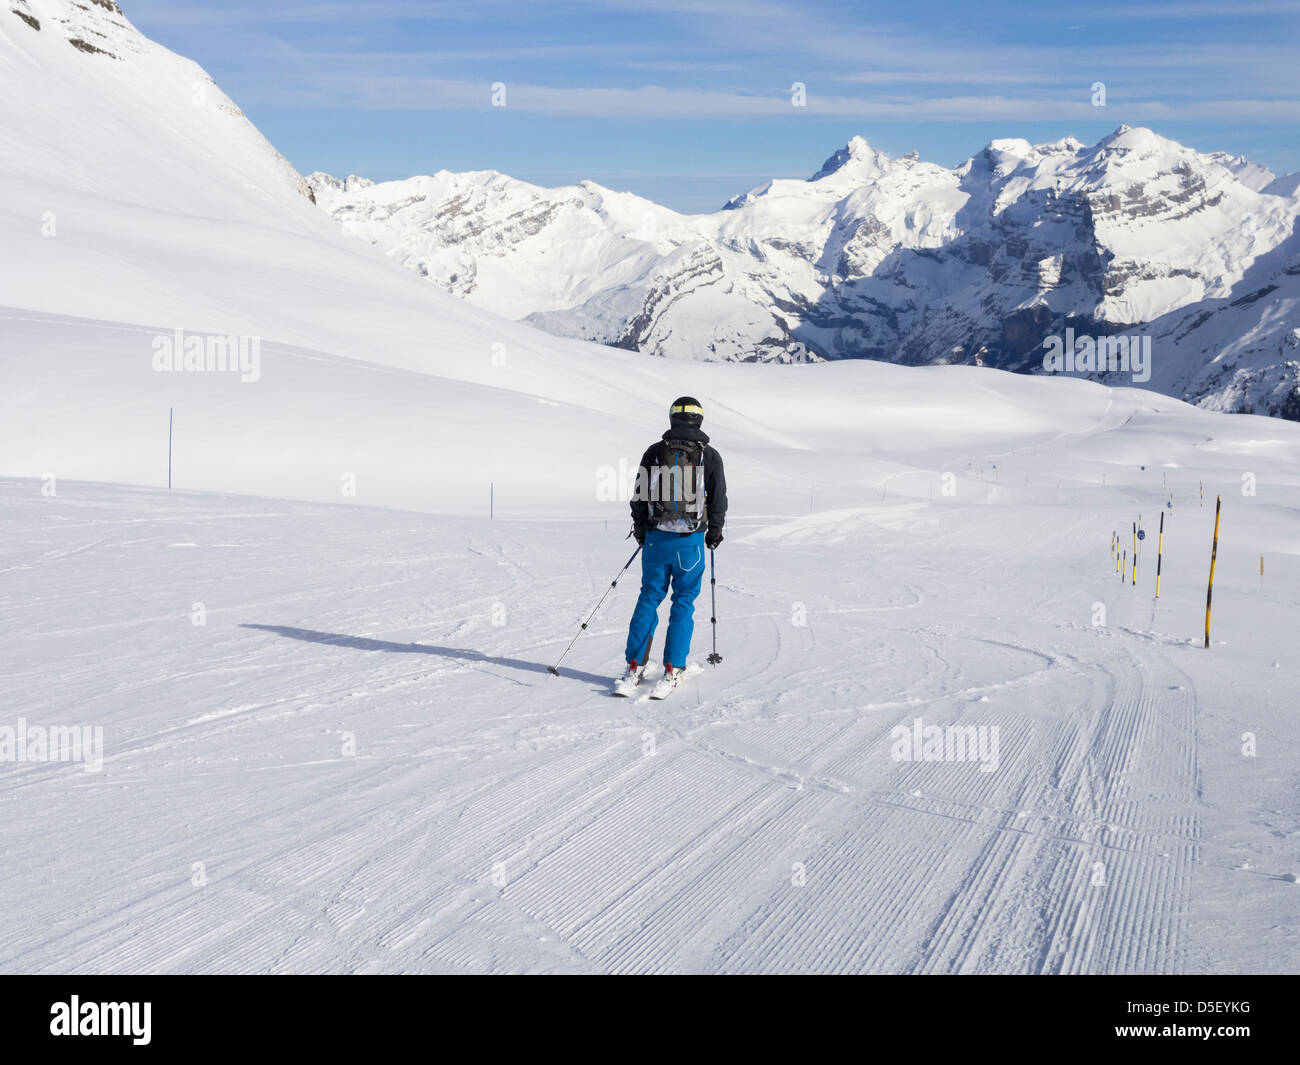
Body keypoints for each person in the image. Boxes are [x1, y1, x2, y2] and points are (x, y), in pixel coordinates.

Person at [616, 396, 727, 697]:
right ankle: (672, 668)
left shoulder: (654, 453)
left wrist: (641, 529)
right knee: (683, 602)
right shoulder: (709, 456)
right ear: (699, 420)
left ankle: (634, 666)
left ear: (672, 419)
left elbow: (639, 496)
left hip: (656, 540)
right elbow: (718, 500)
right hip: (689, 544)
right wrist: (714, 533)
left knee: (649, 597)